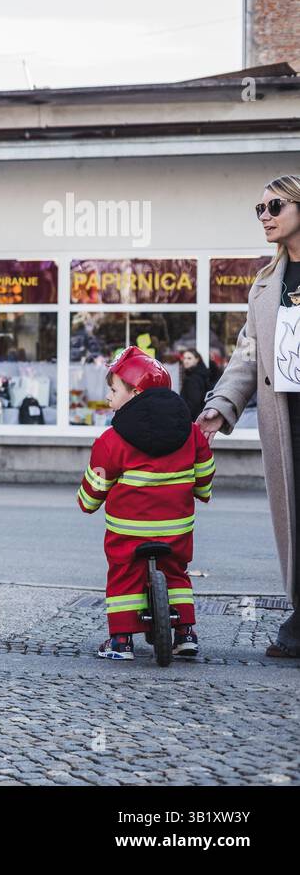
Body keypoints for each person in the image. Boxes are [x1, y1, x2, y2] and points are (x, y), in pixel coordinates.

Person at [198, 173, 300, 658]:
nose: (265, 216)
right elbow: (248, 356)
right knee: (293, 516)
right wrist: (219, 407)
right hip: (286, 419)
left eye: (275, 207)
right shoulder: (265, 285)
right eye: (259, 209)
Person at [79, 346, 212, 660]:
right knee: (177, 572)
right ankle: (186, 633)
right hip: (176, 527)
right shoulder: (190, 432)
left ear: (135, 392)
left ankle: (121, 641)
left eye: (113, 390)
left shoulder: (111, 439)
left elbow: (96, 485)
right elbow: (204, 467)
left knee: (124, 573)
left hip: (129, 530)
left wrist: (87, 501)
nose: (109, 397)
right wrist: (202, 491)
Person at [179, 349, 212, 419]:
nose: (185, 361)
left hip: (193, 420)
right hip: (201, 418)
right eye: (184, 358)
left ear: (197, 359)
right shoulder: (202, 375)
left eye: (189, 358)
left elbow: (193, 404)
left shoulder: (193, 379)